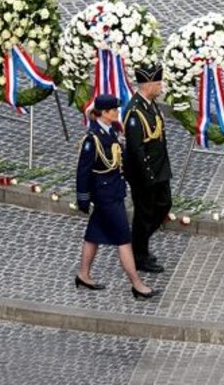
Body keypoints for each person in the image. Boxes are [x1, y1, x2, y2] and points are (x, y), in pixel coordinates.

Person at [74, 94, 158, 300]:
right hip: (105, 196)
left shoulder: (111, 132)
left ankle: (83, 274)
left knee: (94, 234)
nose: (117, 112)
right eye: (113, 110)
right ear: (103, 113)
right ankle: (137, 284)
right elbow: (83, 172)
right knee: (124, 239)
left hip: (114, 192)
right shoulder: (92, 139)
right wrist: (83, 198)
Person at [123, 64, 172, 274]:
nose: (161, 87)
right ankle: (139, 255)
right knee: (144, 214)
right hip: (144, 173)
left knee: (164, 205)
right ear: (149, 85)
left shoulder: (150, 105)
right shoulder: (135, 111)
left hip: (159, 169)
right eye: (158, 83)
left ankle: (138, 242)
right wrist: (149, 176)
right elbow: (137, 149)